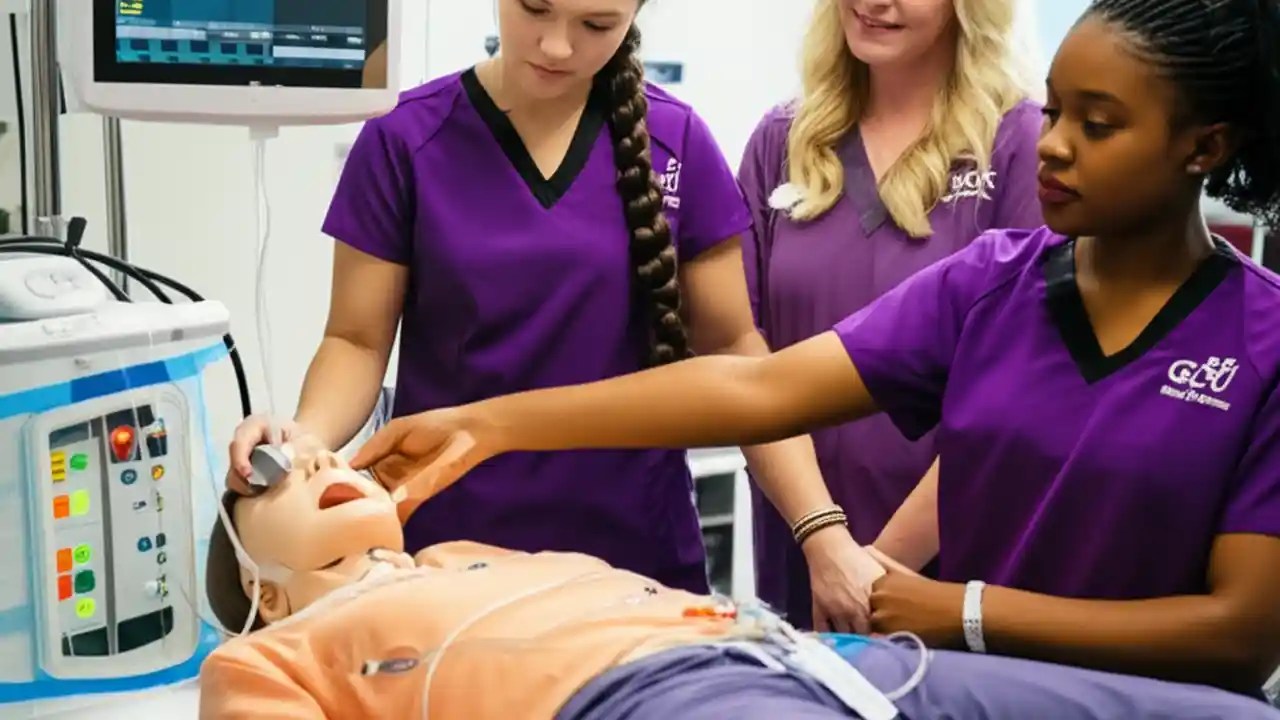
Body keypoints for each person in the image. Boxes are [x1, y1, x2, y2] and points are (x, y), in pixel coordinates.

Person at [351, 0, 1280, 693]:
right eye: (1056, 110)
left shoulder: (1263, 340)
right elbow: (756, 388)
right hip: (963, 690)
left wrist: (957, 609)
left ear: (1205, 147)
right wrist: (486, 425)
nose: (1050, 145)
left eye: (1097, 125)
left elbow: (1243, 631)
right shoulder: (994, 280)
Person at [224, 0, 881, 621]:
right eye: (534, 8)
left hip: (637, 569)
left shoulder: (677, 144)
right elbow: (356, 342)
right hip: (447, 568)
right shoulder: (406, 140)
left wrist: (818, 529)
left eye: (596, 23)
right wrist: (307, 438)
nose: (557, 45)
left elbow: (741, 361)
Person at [199, 450, 1279, 719]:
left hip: (804, 655)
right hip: (654, 698)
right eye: (269, 476)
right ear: (264, 584)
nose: (315, 462)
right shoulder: (266, 650)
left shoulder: (475, 557)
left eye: (323, 451)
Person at [738, 0, 1044, 629]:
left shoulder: (1022, 144)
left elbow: (1026, 385)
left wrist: (877, 570)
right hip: (799, 538)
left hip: (952, 559)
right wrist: (823, 540)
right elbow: (744, 351)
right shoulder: (783, 138)